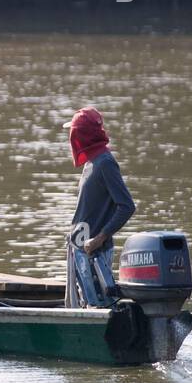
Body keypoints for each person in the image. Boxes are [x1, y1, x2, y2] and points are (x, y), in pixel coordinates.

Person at [65, 107, 135, 307]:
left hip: (94, 253)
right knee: (86, 304)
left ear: (81, 135)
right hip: (79, 249)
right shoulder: (91, 162)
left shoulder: (105, 163)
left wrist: (99, 239)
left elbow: (126, 206)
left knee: (101, 305)